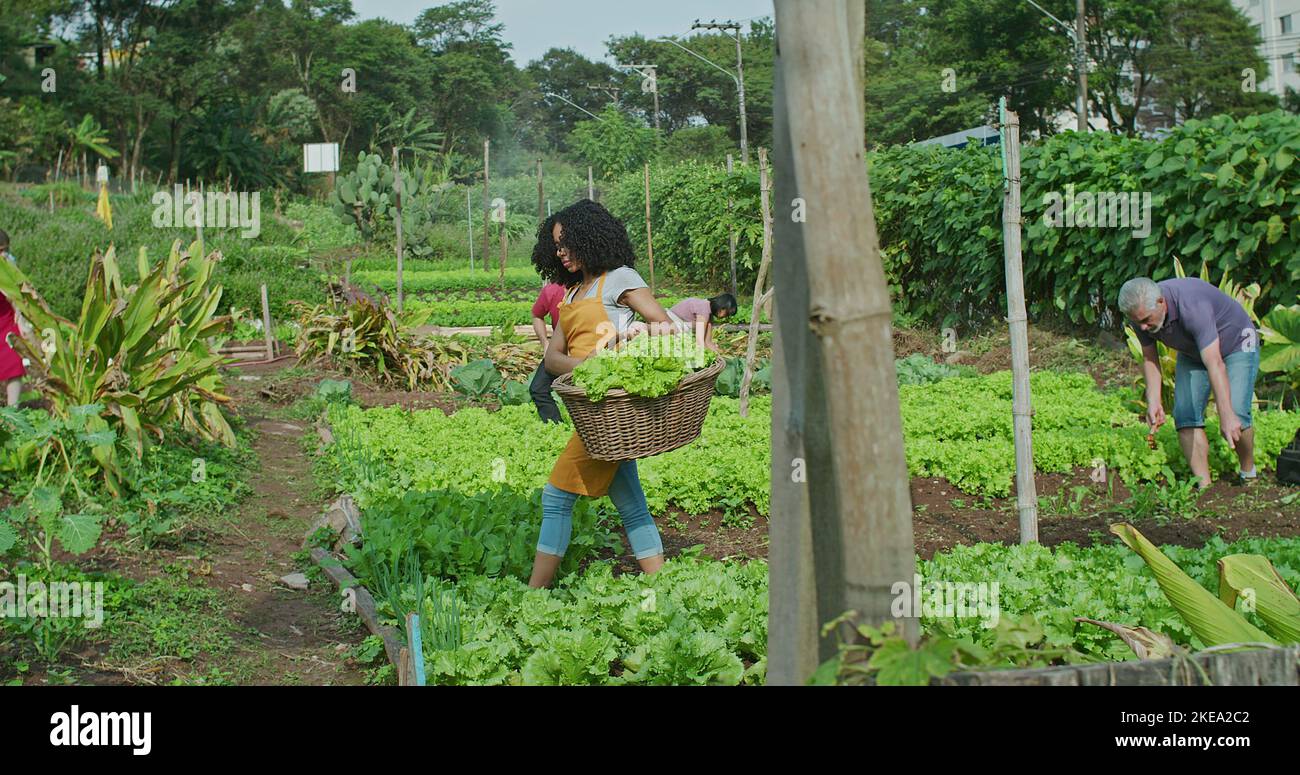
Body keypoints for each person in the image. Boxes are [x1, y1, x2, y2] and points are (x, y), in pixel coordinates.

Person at [528, 199, 675, 589]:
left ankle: (533, 595)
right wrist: (590, 365)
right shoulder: (573, 293)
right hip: (592, 411)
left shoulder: (621, 279)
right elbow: (553, 358)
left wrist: (630, 343)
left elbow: (662, 325)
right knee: (631, 504)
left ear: (589, 239)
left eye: (567, 243)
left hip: (613, 407)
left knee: (557, 496)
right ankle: (662, 588)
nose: (561, 252)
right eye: (556, 245)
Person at [1118, 276, 1260, 488]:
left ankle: (1248, 472)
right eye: (1138, 322)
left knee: (1236, 413)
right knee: (1185, 416)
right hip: (1194, 351)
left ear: (1161, 302)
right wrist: (1154, 400)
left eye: (1147, 320)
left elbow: (1214, 363)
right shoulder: (1139, 315)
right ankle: (1205, 488)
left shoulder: (1192, 306)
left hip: (1236, 343)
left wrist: (1226, 413)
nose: (1143, 327)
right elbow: (1149, 357)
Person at [528, 281, 567, 423]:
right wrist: (545, 342)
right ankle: (556, 425)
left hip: (585, 350)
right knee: (538, 388)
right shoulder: (553, 289)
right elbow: (537, 315)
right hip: (559, 351)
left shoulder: (592, 286)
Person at [0, 230, 27, 407]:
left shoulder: (9, 262)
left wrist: (21, 316)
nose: (3, 253)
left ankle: (13, 409)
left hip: (7, 316)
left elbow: (17, 292)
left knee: (14, 360)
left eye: (5, 249)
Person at [666, 293, 738, 352]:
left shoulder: (709, 315)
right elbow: (699, 341)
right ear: (722, 307)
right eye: (727, 313)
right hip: (667, 323)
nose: (726, 316)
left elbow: (708, 341)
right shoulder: (704, 309)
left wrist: (718, 351)